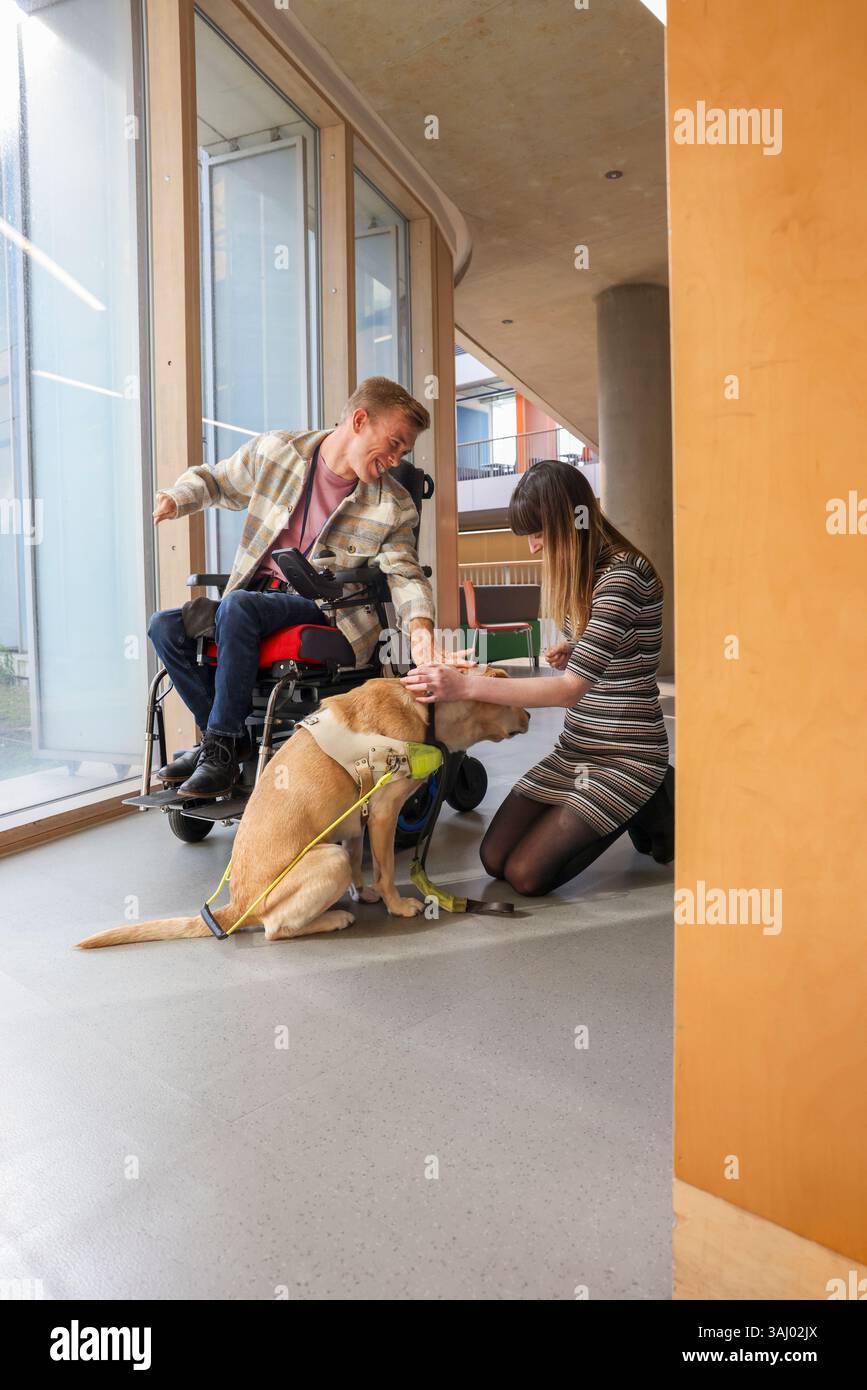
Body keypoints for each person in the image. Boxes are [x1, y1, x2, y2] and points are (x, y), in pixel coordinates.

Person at [149, 377, 444, 799]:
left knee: (237, 608)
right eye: (394, 444)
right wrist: (178, 497)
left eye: (404, 451)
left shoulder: (392, 505)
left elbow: (404, 572)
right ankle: (228, 744)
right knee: (165, 626)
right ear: (359, 420)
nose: (397, 459)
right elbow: (217, 481)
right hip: (253, 597)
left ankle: (218, 750)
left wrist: (420, 628)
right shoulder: (278, 453)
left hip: (322, 608)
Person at [401, 459, 674, 896]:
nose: (532, 547)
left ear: (571, 522)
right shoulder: (583, 570)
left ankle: (653, 793)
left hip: (627, 753)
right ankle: (641, 802)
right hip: (578, 747)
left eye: (539, 532)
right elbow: (609, 647)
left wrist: (463, 685)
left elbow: (569, 690)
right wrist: (577, 649)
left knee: (527, 875)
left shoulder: (623, 575)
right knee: (494, 860)